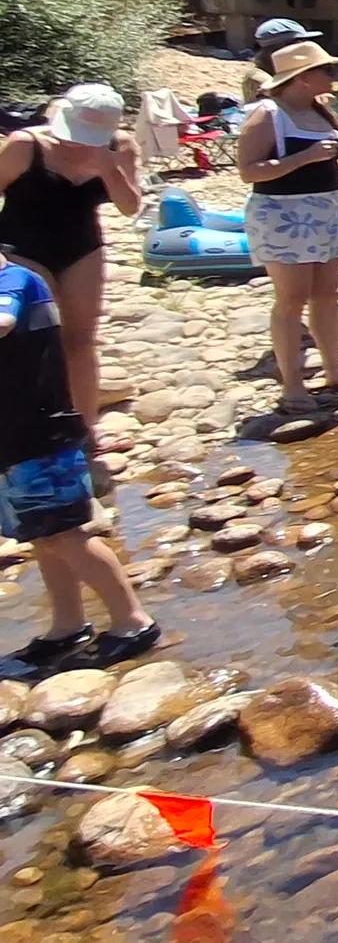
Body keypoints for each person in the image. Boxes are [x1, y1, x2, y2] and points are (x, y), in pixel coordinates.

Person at [0, 253, 158, 670]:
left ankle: (132, 621)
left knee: (66, 533)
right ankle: (68, 624)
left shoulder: (15, 280)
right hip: (12, 438)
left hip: (41, 434)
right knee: (42, 535)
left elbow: (4, 321)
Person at [0, 86, 143, 425]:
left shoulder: (120, 146)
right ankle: (31, 427)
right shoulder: (26, 145)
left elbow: (130, 206)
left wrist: (109, 169)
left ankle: (85, 430)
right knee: (37, 337)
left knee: (80, 340)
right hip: (21, 245)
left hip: (82, 246)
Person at [236, 40, 338, 413]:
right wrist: (305, 158)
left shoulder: (319, 110)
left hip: (325, 209)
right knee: (291, 299)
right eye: (326, 71)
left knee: (327, 294)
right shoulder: (267, 114)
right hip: (282, 214)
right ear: (302, 78)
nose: (333, 77)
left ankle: (334, 371)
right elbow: (248, 171)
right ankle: (292, 386)